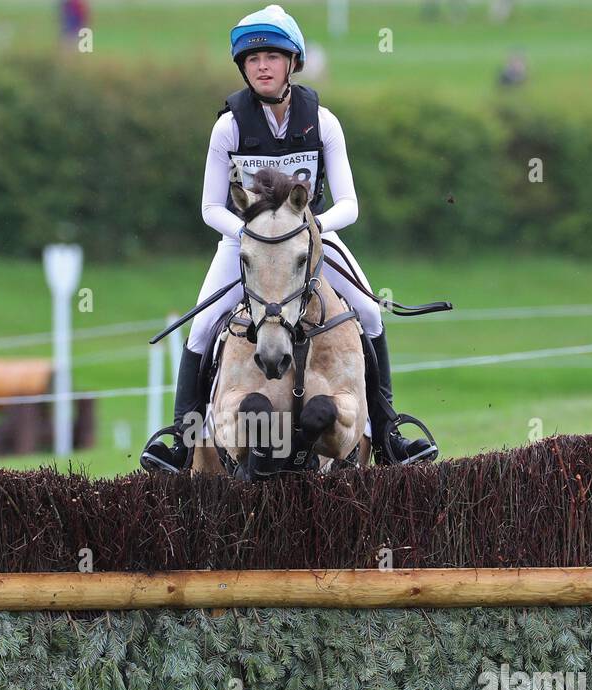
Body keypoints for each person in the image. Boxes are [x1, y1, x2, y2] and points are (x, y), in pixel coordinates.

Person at [141, 4, 437, 473]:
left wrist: (302, 230)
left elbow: (349, 204)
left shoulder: (323, 122)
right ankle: (182, 438)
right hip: (246, 244)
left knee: (368, 312)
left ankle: (387, 432)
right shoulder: (229, 126)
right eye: (253, 59)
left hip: (310, 239)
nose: (262, 66)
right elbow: (210, 207)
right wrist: (257, 235)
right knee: (201, 327)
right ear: (243, 67)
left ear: (292, 63)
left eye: (273, 57)